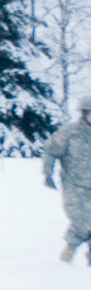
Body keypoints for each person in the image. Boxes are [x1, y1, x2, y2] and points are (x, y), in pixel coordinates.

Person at [46, 97, 91, 263]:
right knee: (82, 220)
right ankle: (68, 252)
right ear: (84, 113)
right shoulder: (69, 132)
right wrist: (47, 173)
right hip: (75, 186)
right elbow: (50, 151)